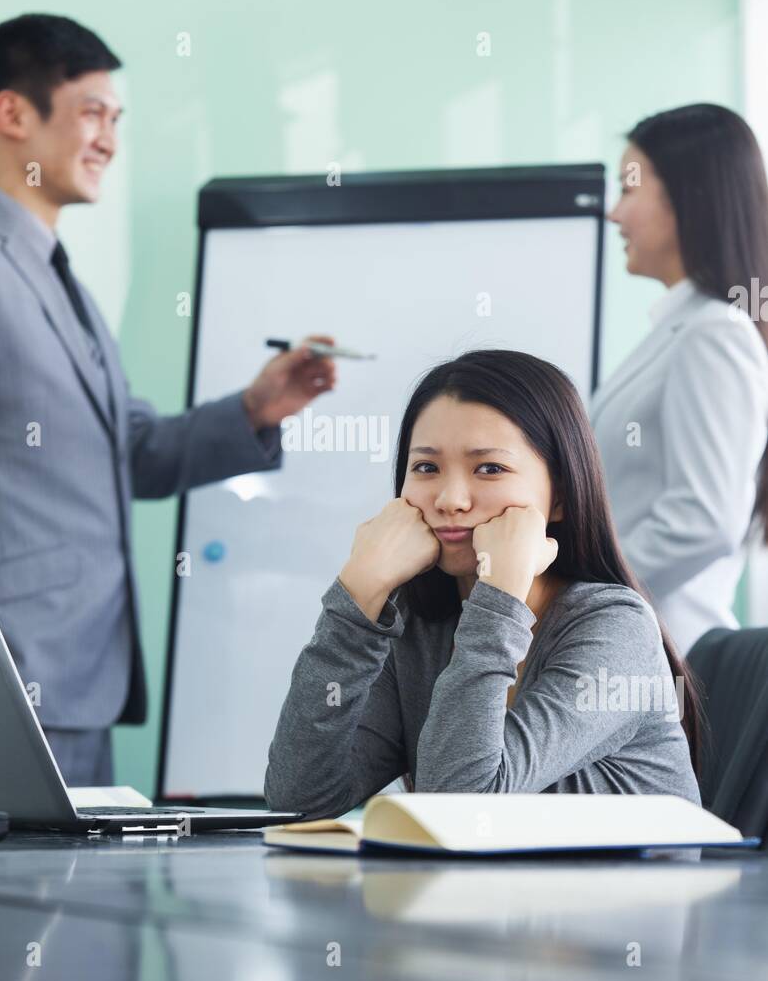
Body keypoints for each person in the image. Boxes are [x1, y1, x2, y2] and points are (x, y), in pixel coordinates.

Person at [0, 12, 335, 788]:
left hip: (76, 681)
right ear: (12, 114)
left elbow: (131, 453)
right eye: (92, 113)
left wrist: (253, 410)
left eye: (117, 119)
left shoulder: (62, 281)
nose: (109, 139)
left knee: (54, 908)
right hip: (3, 687)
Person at [265, 349, 702, 820]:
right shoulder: (422, 627)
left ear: (561, 496)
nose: (451, 500)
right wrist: (358, 597)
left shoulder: (615, 627)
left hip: (626, 894)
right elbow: (299, 798)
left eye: (490, 468)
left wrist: (498, 597)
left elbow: (461, 810)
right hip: (486, 892)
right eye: (426, 468)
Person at [592, 103, 768, 655]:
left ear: (690, 196)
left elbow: (704, 519)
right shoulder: (677, 331)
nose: (613, 214)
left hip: (665, 656)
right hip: (631, 644)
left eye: (629, 188)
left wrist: (577, 592)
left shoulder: (714, 334)